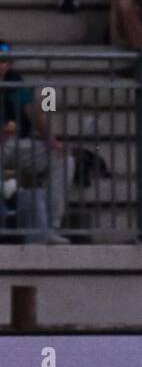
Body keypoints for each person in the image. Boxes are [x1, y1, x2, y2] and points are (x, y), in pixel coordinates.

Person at [0, 42, 74, 243]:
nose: (2, 66)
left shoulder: (15, 82)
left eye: (5, 61)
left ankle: (49, 227)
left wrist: (51, 140)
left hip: (13, 143)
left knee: (62, 159)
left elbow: (34, 112)